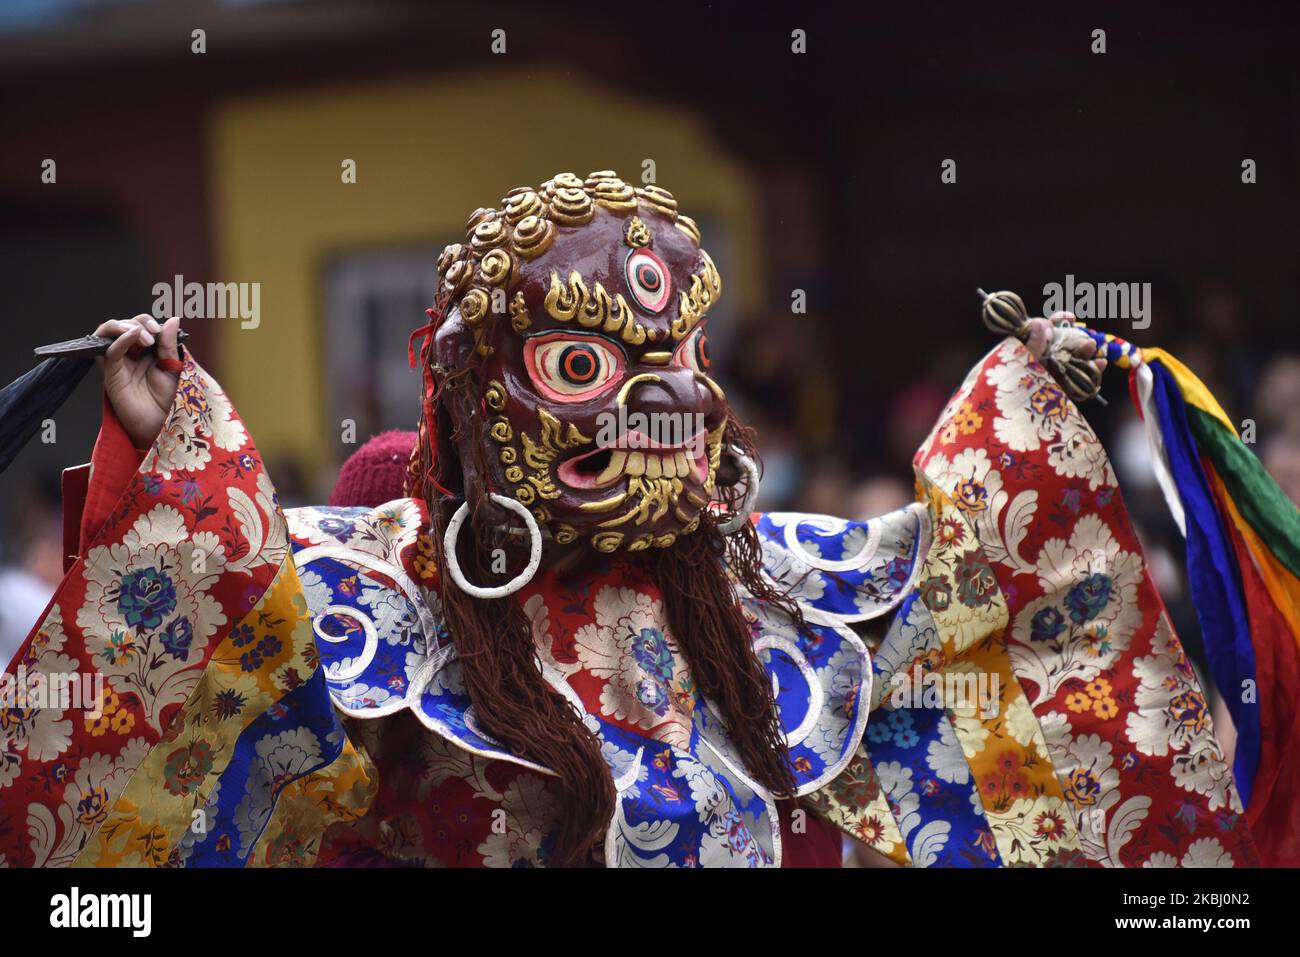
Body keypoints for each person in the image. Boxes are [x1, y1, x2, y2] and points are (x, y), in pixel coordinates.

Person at [0, 172, 1273, 867]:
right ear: (472, 402)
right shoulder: (375, 604)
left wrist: (1030, 398)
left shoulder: (766, 597)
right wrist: (171, 441)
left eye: (675, 350)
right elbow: (207, 666)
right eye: (580, 365)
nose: (664, 397)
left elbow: (963, 576)